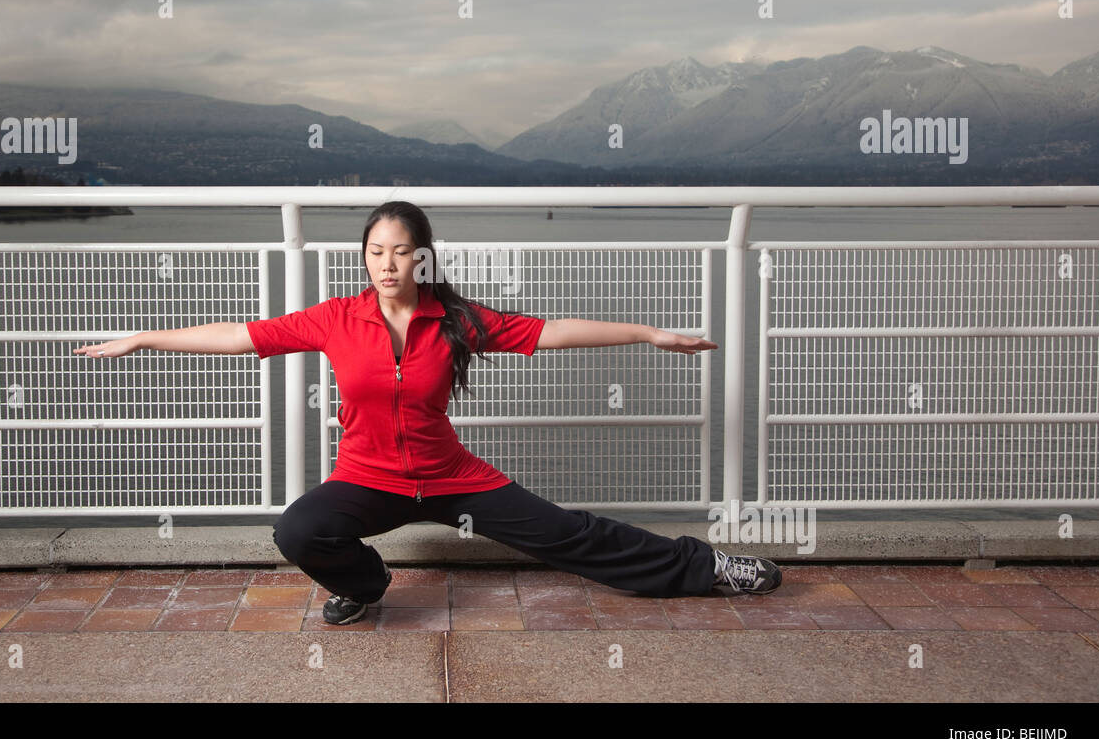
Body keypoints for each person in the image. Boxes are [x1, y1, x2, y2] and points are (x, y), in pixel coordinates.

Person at [74, 201, 780, 624]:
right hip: (368, 480)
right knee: (299, 529)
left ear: (423, 259)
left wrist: (651, 334)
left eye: (401, 252)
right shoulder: (334, 319)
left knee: (569, 535)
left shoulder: (457, 320)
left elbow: (553, 329)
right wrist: (143, 337)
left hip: (451, 478)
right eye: (376, 252)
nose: (387, 264)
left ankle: (711, 567)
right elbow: (238, 335)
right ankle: (367, 586)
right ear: (365, 258)